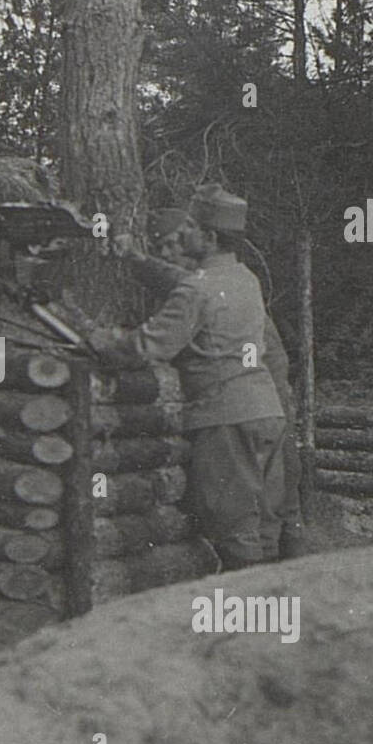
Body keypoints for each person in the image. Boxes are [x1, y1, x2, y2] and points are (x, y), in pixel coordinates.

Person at [83, 184, 287, 570]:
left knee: (231, 526)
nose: (183, 232)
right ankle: (273, 611)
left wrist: (102, 342)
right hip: (265, 410)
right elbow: (188, 285)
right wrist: (139, 261)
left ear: (209, 238)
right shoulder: (245, 279)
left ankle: (251, 621)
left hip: (226, 417)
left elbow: (151, 346)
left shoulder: (197, 289)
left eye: (191, 226)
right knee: (263, 527)